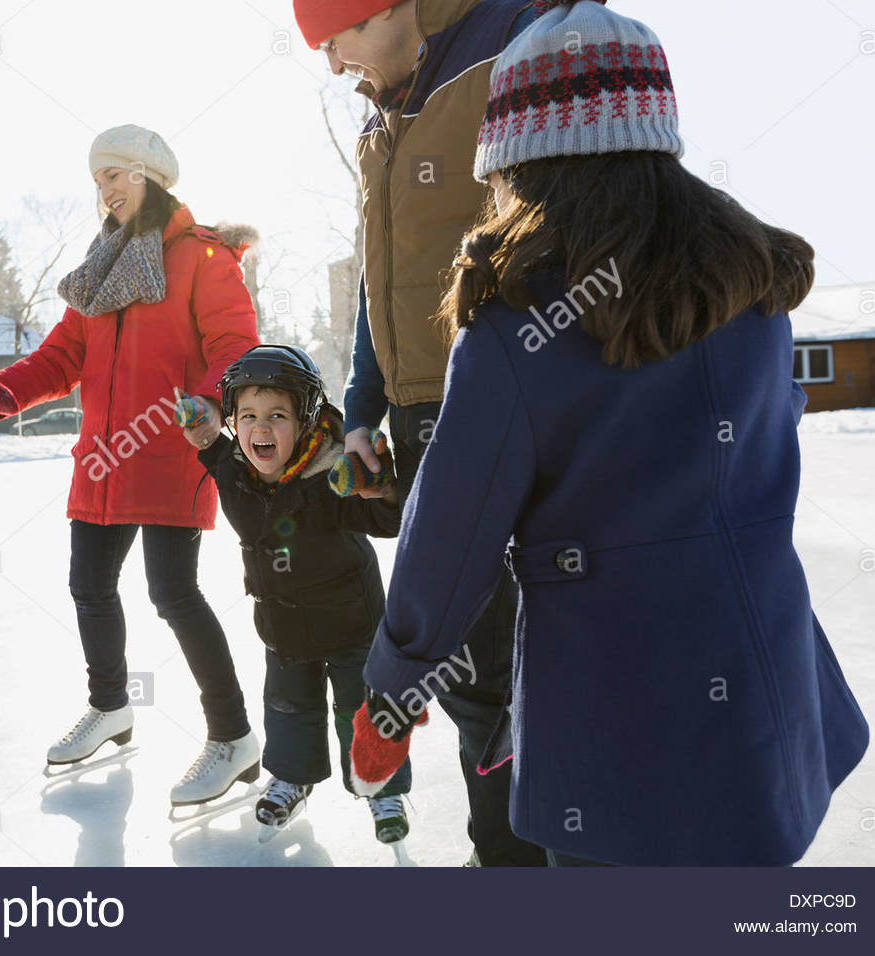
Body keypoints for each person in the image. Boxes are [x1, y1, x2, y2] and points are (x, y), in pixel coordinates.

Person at [355, 0, 870, 865]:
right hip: (769, 690)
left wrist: (393, 694)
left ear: (522, 161)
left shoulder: (516, 323)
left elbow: (451, 533)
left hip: (618, 730)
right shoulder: (752, 287)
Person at [293, 0, 546, 866]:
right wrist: (364, 407)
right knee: (473, 651)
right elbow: (377, 285)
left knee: (535, 647)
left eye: (337, 39)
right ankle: (503, 851)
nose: (330, 65)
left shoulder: (515, 44)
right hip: (420, 412)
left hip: (507, 396)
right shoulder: (385, 121)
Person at [0, 125, 261, 806]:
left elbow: (235, 345)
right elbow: (61, 359)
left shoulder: (203, 257)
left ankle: (234, 737)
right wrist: (1, 391)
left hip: (172, 447)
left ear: (151, 177)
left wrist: (210, 403)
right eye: (98, 179)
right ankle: (112, 707)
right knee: (88, 584)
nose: (106, 189)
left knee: (173, 593)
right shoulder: (99, 269)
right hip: (101, 457)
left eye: (117, 174)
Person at [186, 345, 411, 843]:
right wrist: (200, 424)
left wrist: (383, 488)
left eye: (277, 416)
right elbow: (208, 441)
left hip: (352, 623)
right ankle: (292, 776)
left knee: (365, 712)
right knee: (288, 707)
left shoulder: (331, 477)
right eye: (248, 416)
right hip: (283, 627)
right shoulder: (234, 469)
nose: (260, 429)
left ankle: (383, 789)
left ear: (306, 419)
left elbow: (388, 520)